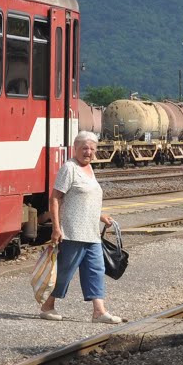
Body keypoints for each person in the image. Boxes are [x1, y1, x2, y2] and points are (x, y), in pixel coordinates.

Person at [38, 131, 125, 324]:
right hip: (73, 231)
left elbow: (83, 199)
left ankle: (99, 311)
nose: (88, 152)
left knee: (96, 269)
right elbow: (55, 198)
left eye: (92, 149)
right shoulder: (70, 168)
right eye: (85, 148)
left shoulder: (89, 169)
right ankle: (47, 306)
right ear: (75, 148)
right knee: (65, 271)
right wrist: (56, 228)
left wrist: (101, 216)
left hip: (92, 232)